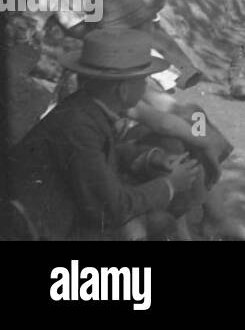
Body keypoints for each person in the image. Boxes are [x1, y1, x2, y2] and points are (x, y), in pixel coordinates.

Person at [52, 0, 245, 240]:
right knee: (174, 138)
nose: (154, 26)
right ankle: (190, 225)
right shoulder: (108, 71)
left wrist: (198, 128)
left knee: (194, 114)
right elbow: (160, 122)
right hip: (104, 163)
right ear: (128, 31)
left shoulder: (116, 58)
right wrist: (203, 142)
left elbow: (167, 107)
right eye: (149, 22)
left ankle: (216, 218)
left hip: (120, 148)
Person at [8, 29, 205, 240]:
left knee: (155, 219)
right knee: (139, 227)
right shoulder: (79, 125)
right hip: (35, 228)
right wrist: (170, 184)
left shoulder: (86, 108)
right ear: (122, 90)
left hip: (54, 214)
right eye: (142, 81)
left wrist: (152, 158)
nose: (144, 85)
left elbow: (100, 158)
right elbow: (111, 207)